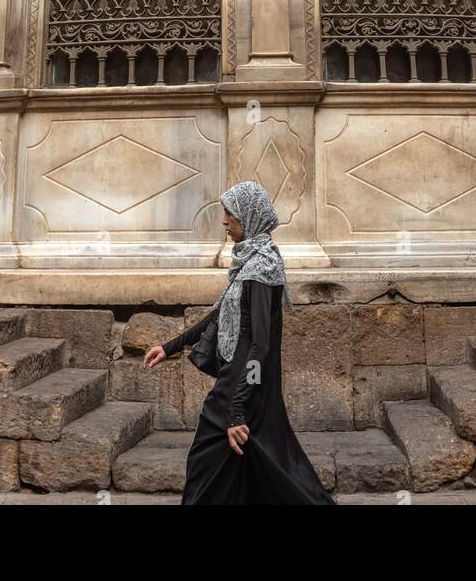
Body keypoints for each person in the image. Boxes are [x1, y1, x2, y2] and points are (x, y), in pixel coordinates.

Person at [144, 180, 337, 504]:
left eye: (229, 214)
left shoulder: (262, 269)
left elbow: (260, 344)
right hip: (246, 376)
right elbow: (217, 317)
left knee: (209, 458)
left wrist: (235, 410)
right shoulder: (249, 263)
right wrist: (169, 347)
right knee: (264, 462)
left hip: (244, 378)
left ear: (246, 218)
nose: (224, 221)